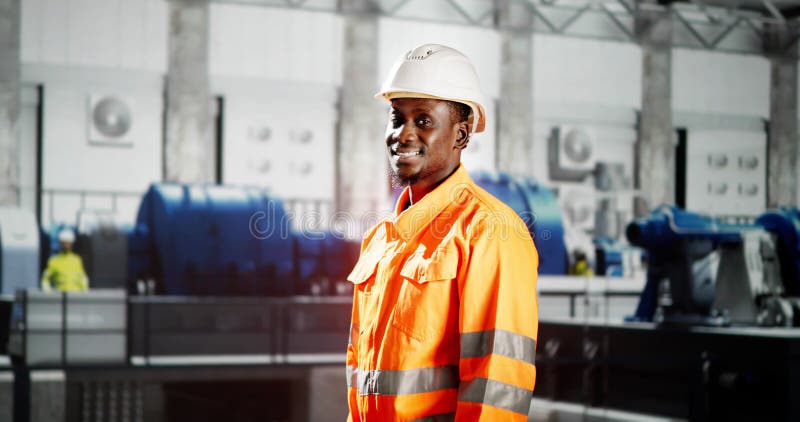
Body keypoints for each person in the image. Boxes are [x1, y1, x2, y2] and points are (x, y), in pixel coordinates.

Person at [345, 44, 539, 421]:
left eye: (424, 120)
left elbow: (496, 391)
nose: (402, 134)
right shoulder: (380, 239)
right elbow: (359, 366)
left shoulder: (490, 232)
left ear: (462, 135)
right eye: (396, 117)